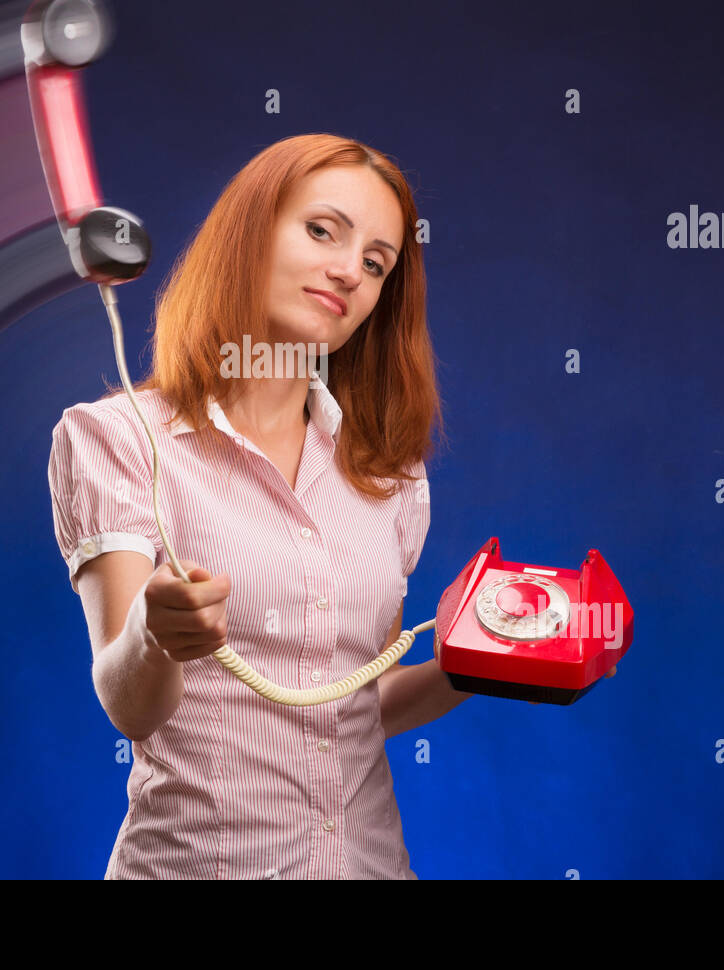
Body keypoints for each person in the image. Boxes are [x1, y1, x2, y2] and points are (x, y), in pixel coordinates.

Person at [47, 132, 469, 879]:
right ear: (248, 232)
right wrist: (153, 631)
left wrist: (474, 670)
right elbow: (127, 704)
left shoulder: (389, 476)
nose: (349, 271)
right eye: (321, 231)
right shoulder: (118, 440)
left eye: (377, 264)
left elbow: (350, 704)